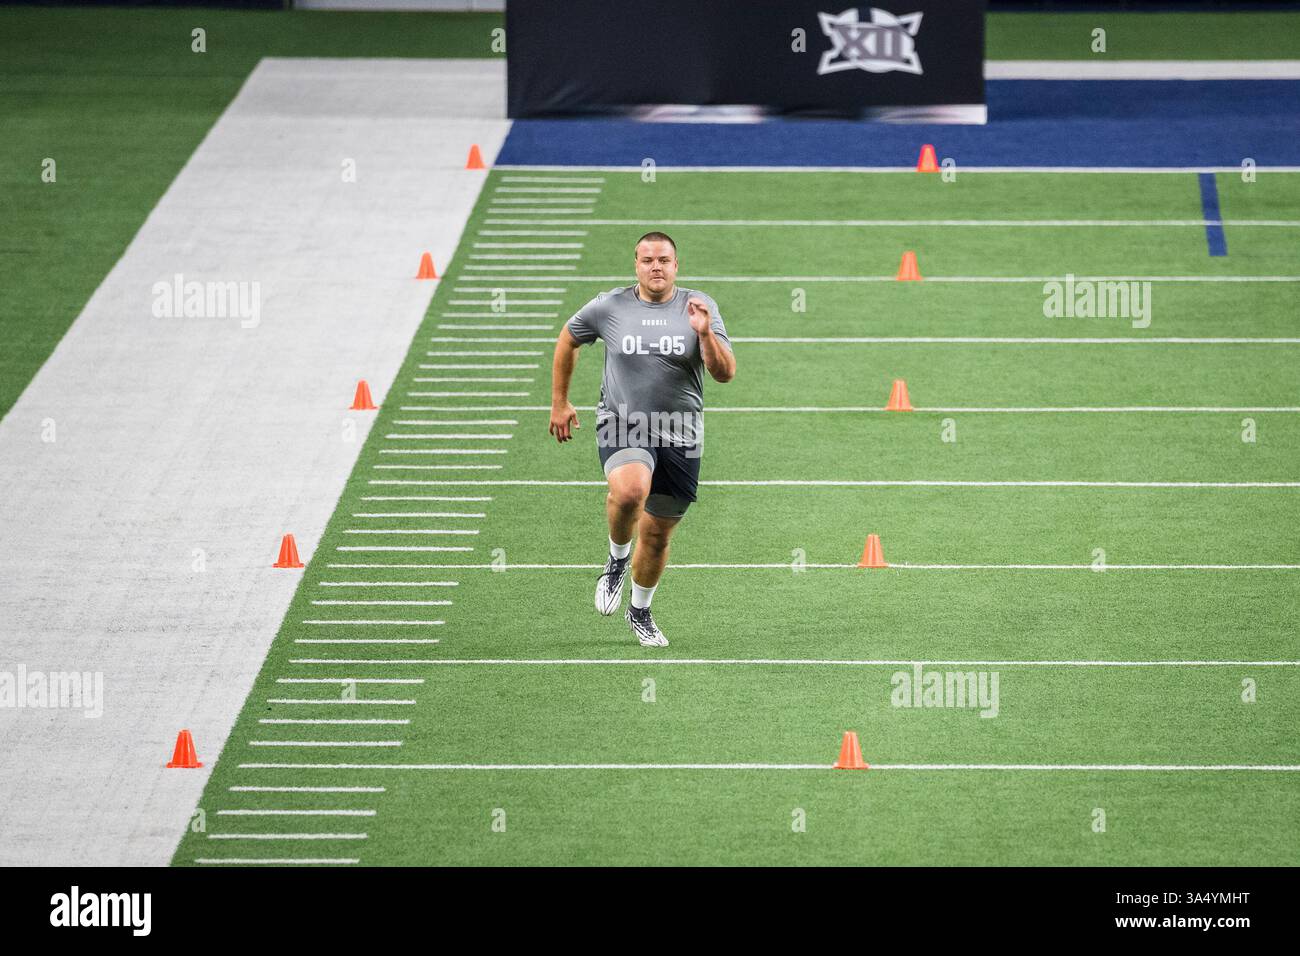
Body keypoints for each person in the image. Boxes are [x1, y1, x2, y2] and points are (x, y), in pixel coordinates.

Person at [549, 231, 736, 647]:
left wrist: (704, 334)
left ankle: (641, 611)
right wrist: (560, 402)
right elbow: (568, 338)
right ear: (635, 264)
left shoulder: (699, 306)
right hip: (622, 422)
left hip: (682, 432)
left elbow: (725, 373)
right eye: (648, 259)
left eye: (664, 260)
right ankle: (616, 560)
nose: (656, 267)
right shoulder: (609, 306)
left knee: (656, 535)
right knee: (631, 490)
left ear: (676, 266)